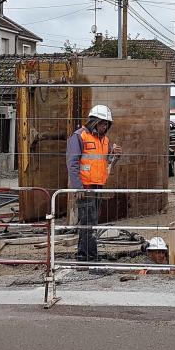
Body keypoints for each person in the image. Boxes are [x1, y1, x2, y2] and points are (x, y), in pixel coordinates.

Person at [66, 105, 122, 262]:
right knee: (88, 221)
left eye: (106, 124)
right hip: (85, 187)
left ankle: (85, 255)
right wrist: (78, 187)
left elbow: (106, 163)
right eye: (102, 123)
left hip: (97, 186)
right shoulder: (79, 137)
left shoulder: (105, 141)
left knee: (91, 221)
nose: (105, 127)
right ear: (94, 122)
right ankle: (88, 256)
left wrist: (115, 156)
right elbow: (72, 164)